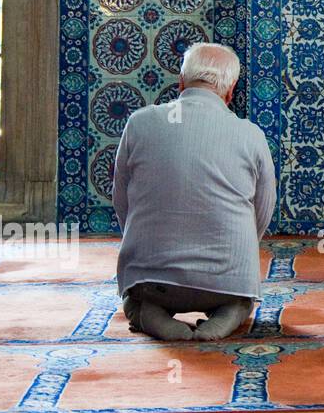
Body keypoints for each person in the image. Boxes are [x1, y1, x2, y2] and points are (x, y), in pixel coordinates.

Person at [113, 42, 276, 341]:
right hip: (227, 284)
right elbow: (263, 209)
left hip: (152, 283)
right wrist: (236, 256)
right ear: (230, 91)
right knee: (241, 303)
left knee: (134, 301)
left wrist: (144, 248)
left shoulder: (139, 122)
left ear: (181, 82)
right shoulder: (251, 134)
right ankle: (225, 317)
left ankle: (151, 315)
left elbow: (121, 200)